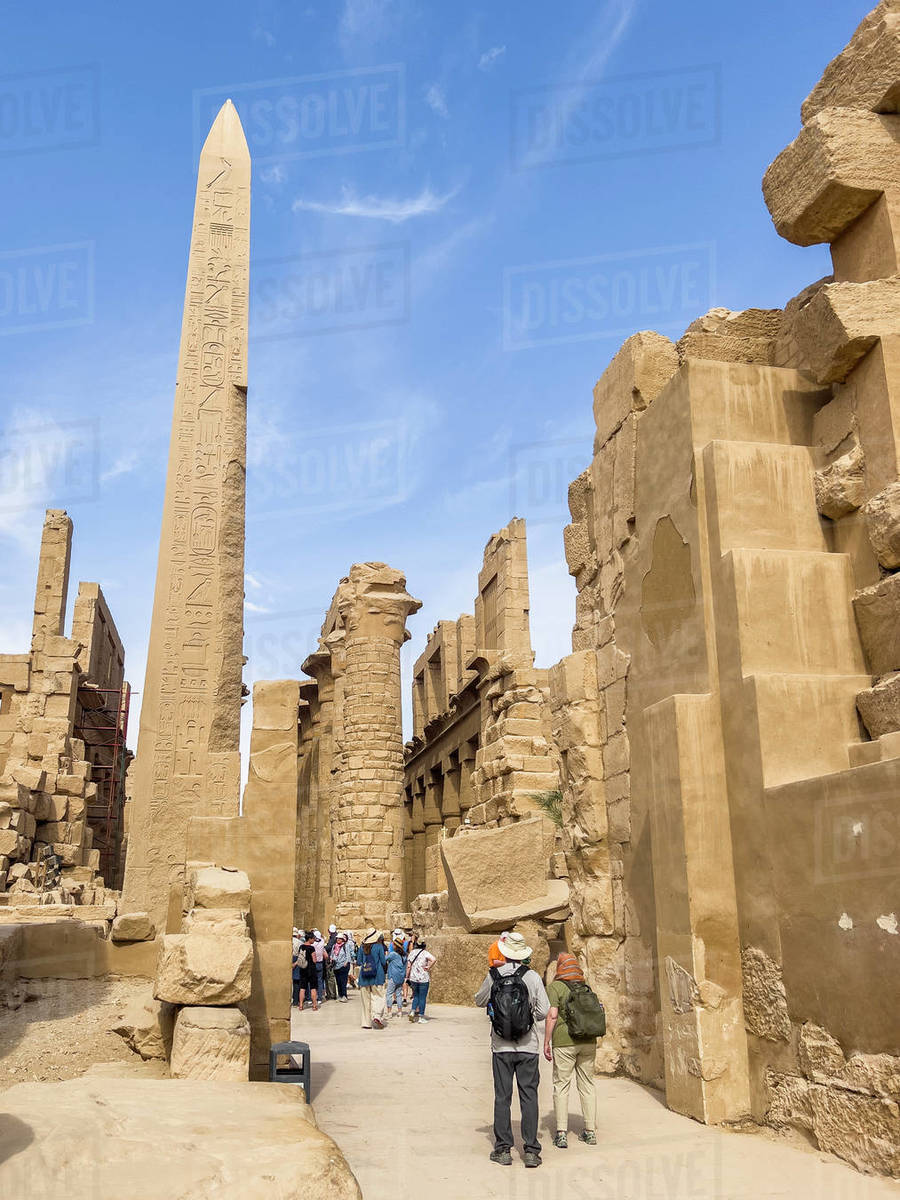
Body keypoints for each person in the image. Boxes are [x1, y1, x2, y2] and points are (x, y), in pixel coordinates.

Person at [475, 931, 550, 1169]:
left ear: (505, 953)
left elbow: (479, 1000)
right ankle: (531, 1151)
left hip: (501, 1046)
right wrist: (528, 1017)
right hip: (528, 1046)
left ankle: (503, 1149)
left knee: (502, 1097)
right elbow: (544, 1010)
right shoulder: (533, 977)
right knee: (529, 1096)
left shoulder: (494, 975)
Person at [544, 952, 600, 1148]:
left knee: (561, 1085)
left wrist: (546, 1041)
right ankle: (590, 1131)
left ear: (560, 968)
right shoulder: (586, 987)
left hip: (564, 1042)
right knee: (587, 1085)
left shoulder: (555, 987)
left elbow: (552, 1015)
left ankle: (561, 1133)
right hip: (588, 1040)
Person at [356, 929, 388, 1030]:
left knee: (365, 1001)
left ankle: (366, 1023)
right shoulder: (379, 947)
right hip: (377, 976)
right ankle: (377, 1016)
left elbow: (358, 961)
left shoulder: (361, 947)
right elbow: (383, 961)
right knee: (378, 997)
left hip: (364, 977)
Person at [406, 938, 435, 1023]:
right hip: (423, 978)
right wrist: (428, 967)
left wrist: (406, 977)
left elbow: (408, 966)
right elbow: (434, 959)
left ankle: (412, 1011)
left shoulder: (412, 953)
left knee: (416, 996)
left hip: (413, 978)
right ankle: (421, 1017)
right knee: (422, 998)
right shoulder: (425, 953)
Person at [384, 930, 407, 1017]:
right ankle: (400, 1012)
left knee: (389, 994)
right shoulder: (404, 955)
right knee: (398, 994)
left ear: (395, 946)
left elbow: (384, 959)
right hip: (401, 977)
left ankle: (389, 1012)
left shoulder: (393, 954)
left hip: (393, 976)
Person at [297, 930, 320, 1012]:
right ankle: (314, 1006)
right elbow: (314, 960)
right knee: (313, 988)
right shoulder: (311, 948)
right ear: (309, 939)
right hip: (311, 970)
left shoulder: (301, 947)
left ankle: (300, 1005)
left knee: (302, 988)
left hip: (303, 969)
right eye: (313, 938)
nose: (314, 940)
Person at [330, 933, 353, 1002]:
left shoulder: (346, 946)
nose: (338, 940)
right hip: (336, 966)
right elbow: (332, 954)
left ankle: (344, 996)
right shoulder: (334, 946)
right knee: (338, 981)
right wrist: (331, 959)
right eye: (337, 938)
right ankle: (340, 995)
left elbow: (348, 955)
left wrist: (346, 962)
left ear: (342, 939)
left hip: (343, 965)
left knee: (343, 981)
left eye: (339, 939)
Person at [312, 929, 329, 1000]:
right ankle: (320, 997)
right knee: (320, 981)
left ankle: (312, 997)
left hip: (313, 963)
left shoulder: (313, 944)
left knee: (312, 981)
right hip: (320, 963)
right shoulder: (322, 942)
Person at [291, 929, 305, 1008]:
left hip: (290, 959)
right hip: (296, 960)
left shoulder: (289, 941)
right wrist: (295, 963)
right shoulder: (300, 943)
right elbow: (301, 955)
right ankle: (296, 1001)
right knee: (296, 982)